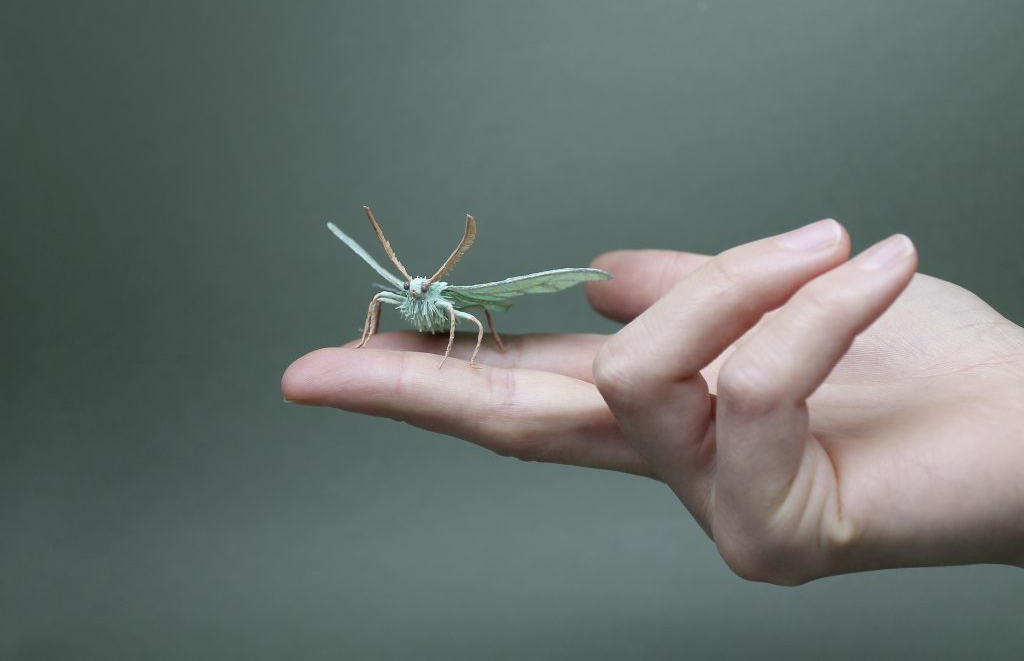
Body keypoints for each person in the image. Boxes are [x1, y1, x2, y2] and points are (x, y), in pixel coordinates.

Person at [281, 219, 1024, 584]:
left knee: (487, 314)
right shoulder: (396, 290)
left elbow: (474, 317)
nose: (410, 287)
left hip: (465, 324)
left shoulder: (461, 304)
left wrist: (999, 385)